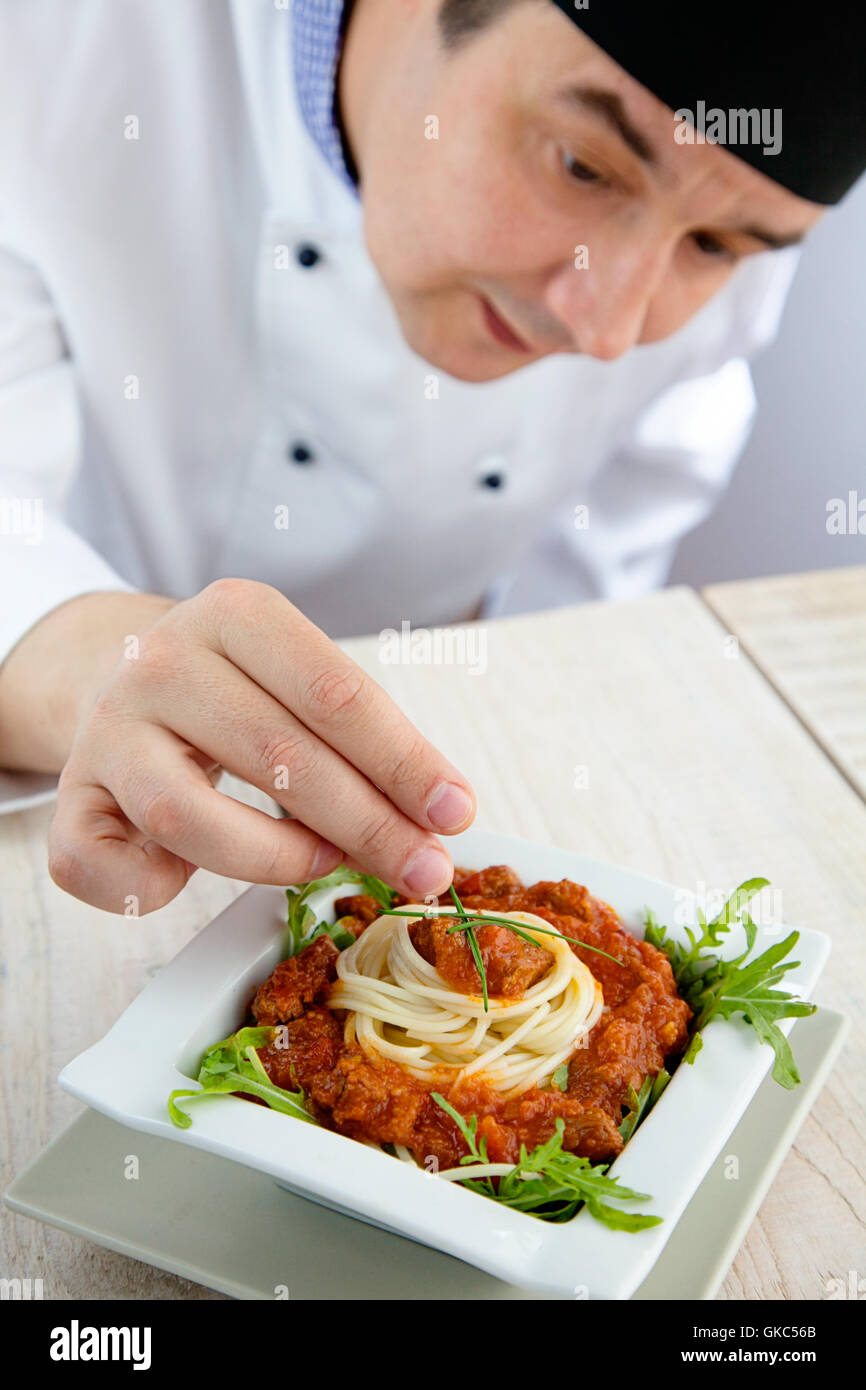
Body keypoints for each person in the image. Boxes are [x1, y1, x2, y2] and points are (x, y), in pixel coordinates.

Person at [0, 0, 862, 913]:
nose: (606, 328)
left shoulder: (715, 200)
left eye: (717, 246)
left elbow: (591, 589)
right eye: (583, 165)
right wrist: (103, 666)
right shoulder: (61, 45)